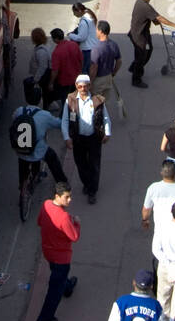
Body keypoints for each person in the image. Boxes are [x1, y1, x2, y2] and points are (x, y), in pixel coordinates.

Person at [36, 182, 80, 321]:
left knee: (58, 276)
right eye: (67, 197)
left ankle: (67, 288)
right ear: (57, 196)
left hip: (48, 252)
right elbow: (74, 236)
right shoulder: (64, 217)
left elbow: (40, 222)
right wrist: (77, 224)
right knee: (54, 290)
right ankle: (45, 319)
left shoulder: (46, 205)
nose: (70, 200)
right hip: (61, 256)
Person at [61, 73, 110, 204]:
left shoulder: (97, 100)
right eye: (80, 86)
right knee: (81, 164)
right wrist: (67, 137)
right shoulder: (70, 100)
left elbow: (105, 117)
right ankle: (87, 183)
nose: (83, 89)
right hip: (78, 138)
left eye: (85, 86)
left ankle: (92, 191)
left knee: (94, 165)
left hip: (94, 138)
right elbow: (65, 120)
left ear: (89, 86)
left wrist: (107, 132)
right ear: (76, 86)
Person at [128, 0, 175, 90]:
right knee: (140, 57)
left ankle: (134, 67)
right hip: (139, 36)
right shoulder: (145, 6)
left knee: (149, 50)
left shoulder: (139, 1)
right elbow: (159, 18)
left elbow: (150, 17)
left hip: (141, 33)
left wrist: (154, 21)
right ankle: (136, 79)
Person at [11, 96, 64, 193]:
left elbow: (14, 120)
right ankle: (62, 184)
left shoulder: (19, 111)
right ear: (40, 100)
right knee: (52, 158)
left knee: (22, 160)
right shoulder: (45, 115)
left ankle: (21, 184)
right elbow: (59, 124)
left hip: (21, 149)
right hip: (37, 150)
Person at [89, 20, 121, 100]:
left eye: (96, 30)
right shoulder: (114, 44)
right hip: (108, 78)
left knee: (95, 102)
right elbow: (119, 61)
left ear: (101, 31)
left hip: (98, 80)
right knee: (104, 102)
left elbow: (94, 68)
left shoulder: (96, 48)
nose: (96, 31)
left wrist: (90, 82)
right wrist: (113, 73)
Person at [49, 27, 81, 103]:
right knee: (75, 100)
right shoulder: (74, 45)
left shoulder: (56, 52)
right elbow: (81, 60)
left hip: (64, 81)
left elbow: (55, 70)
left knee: (66, 102)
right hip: (76, 79)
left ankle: (66, 114)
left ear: (56, 39)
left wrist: (51, 82)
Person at [67, 2, 98, 72]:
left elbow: (81, 37)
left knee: (85, 70)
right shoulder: (89, 15)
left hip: (87, 49)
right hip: (93, 46)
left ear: (79, 11)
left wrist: (70, 35)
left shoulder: (84, 22)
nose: (74, 14)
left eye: (74, 12)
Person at [26, 26, 53, 105]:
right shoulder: (44, 47)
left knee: (44, 93)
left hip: (43, 76)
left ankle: (47, 106)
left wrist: (36, 79)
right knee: (45, 93)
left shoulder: (41, 52)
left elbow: (42, 67)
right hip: (44, 75)